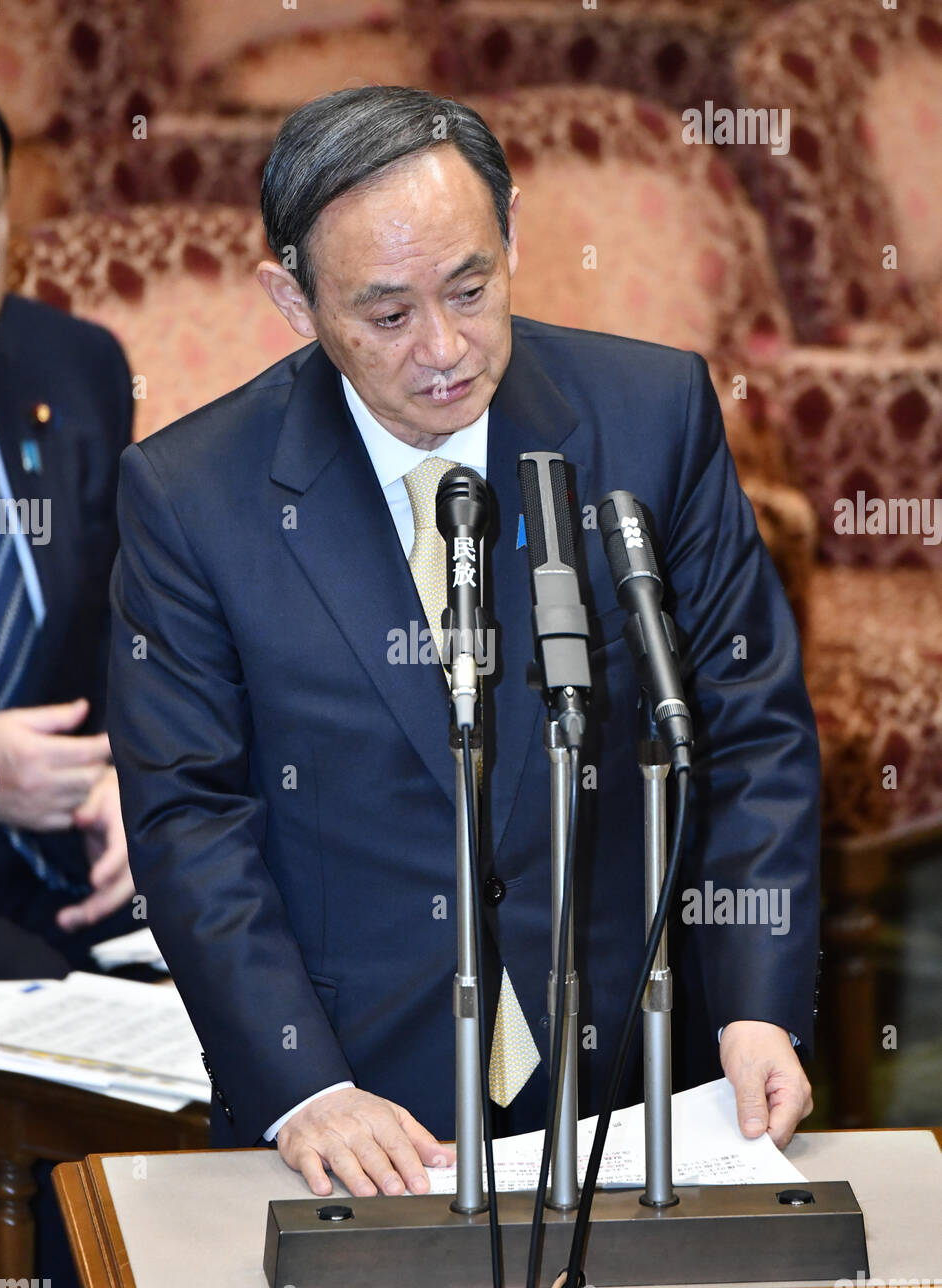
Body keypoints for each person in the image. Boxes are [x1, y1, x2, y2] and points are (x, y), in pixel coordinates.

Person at [108, 86, 817, 1203]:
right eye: (386, 315)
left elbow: (749, 726)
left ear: (514, 237)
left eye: (471, 288)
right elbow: (192, 817)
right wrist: (304, 1087)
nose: (443, 349)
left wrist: (758, 1001)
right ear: (292, 301)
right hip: (363, 1101)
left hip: (633, 1079)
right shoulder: (193, 497)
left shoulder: (652, 413)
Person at [0, 53, 139, 1288]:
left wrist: (142, 775)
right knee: (56, 1042)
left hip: (81, 844)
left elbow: (142, 618)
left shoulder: (77, 366)